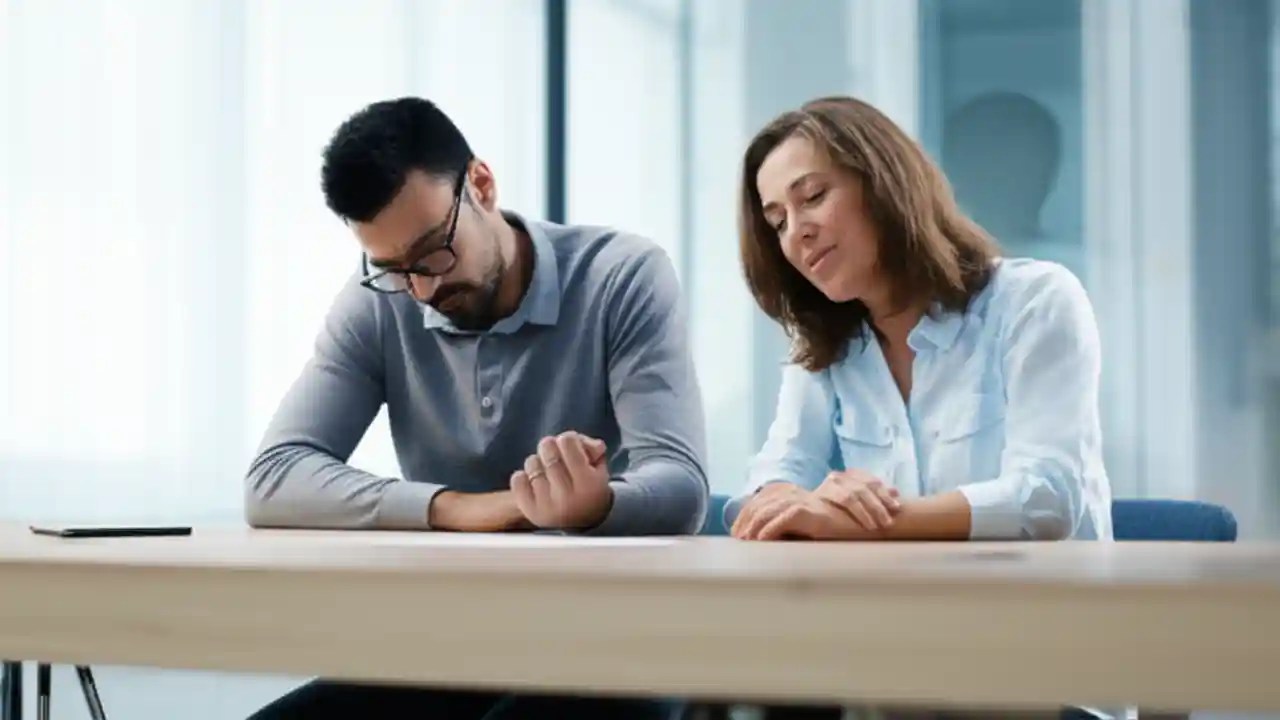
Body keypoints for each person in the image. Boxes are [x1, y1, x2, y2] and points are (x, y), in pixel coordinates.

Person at [244, 96, 707, 719]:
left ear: (481, 185)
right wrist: (456, 508)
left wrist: (594, 505)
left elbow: (682, 485)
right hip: (451, 640)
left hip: (612, 638)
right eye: (394, 268)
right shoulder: (381, 302)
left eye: (435, 249)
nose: (425, 288)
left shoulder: (622, 275)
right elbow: (274, 476)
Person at [723, 95, 1116, 720]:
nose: (795, 231)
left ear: (882, 183)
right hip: (895, 675)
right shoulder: (824, 349)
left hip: (1042, 679)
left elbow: (1048, 496)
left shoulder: (1035, 300)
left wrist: (863, 520)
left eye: (813, 196)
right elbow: (771, 483)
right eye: (776, 220)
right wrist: (793, 500)